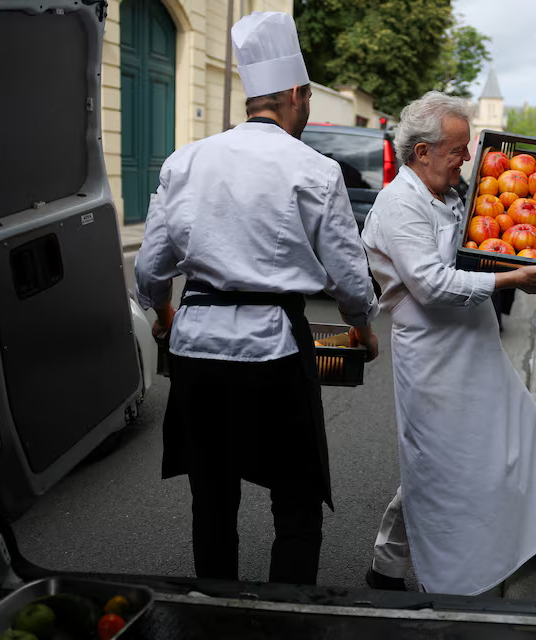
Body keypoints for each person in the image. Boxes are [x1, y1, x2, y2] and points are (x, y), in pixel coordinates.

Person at [134, 11, 379, 586]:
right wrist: (361, 326)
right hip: (272, 355)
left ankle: (216, 611)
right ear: (296, 94)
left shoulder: (185, 160)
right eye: (309, 97)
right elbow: (348, 274)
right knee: (296, 503)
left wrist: (165, 314)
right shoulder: (314, 169)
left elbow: (150, 270)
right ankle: (285, 616)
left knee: (211, 499)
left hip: (196, 350)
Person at [360, 91, 536, 596]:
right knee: (436, 466)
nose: (466, 158)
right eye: (458, 149)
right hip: (435, 358)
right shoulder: (399, 204)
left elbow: (481, 244)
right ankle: (390, 568)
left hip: (475, 342)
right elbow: (432, 285)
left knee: (521, 432)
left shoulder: (450, 193)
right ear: (422, 152)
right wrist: (512, 281)